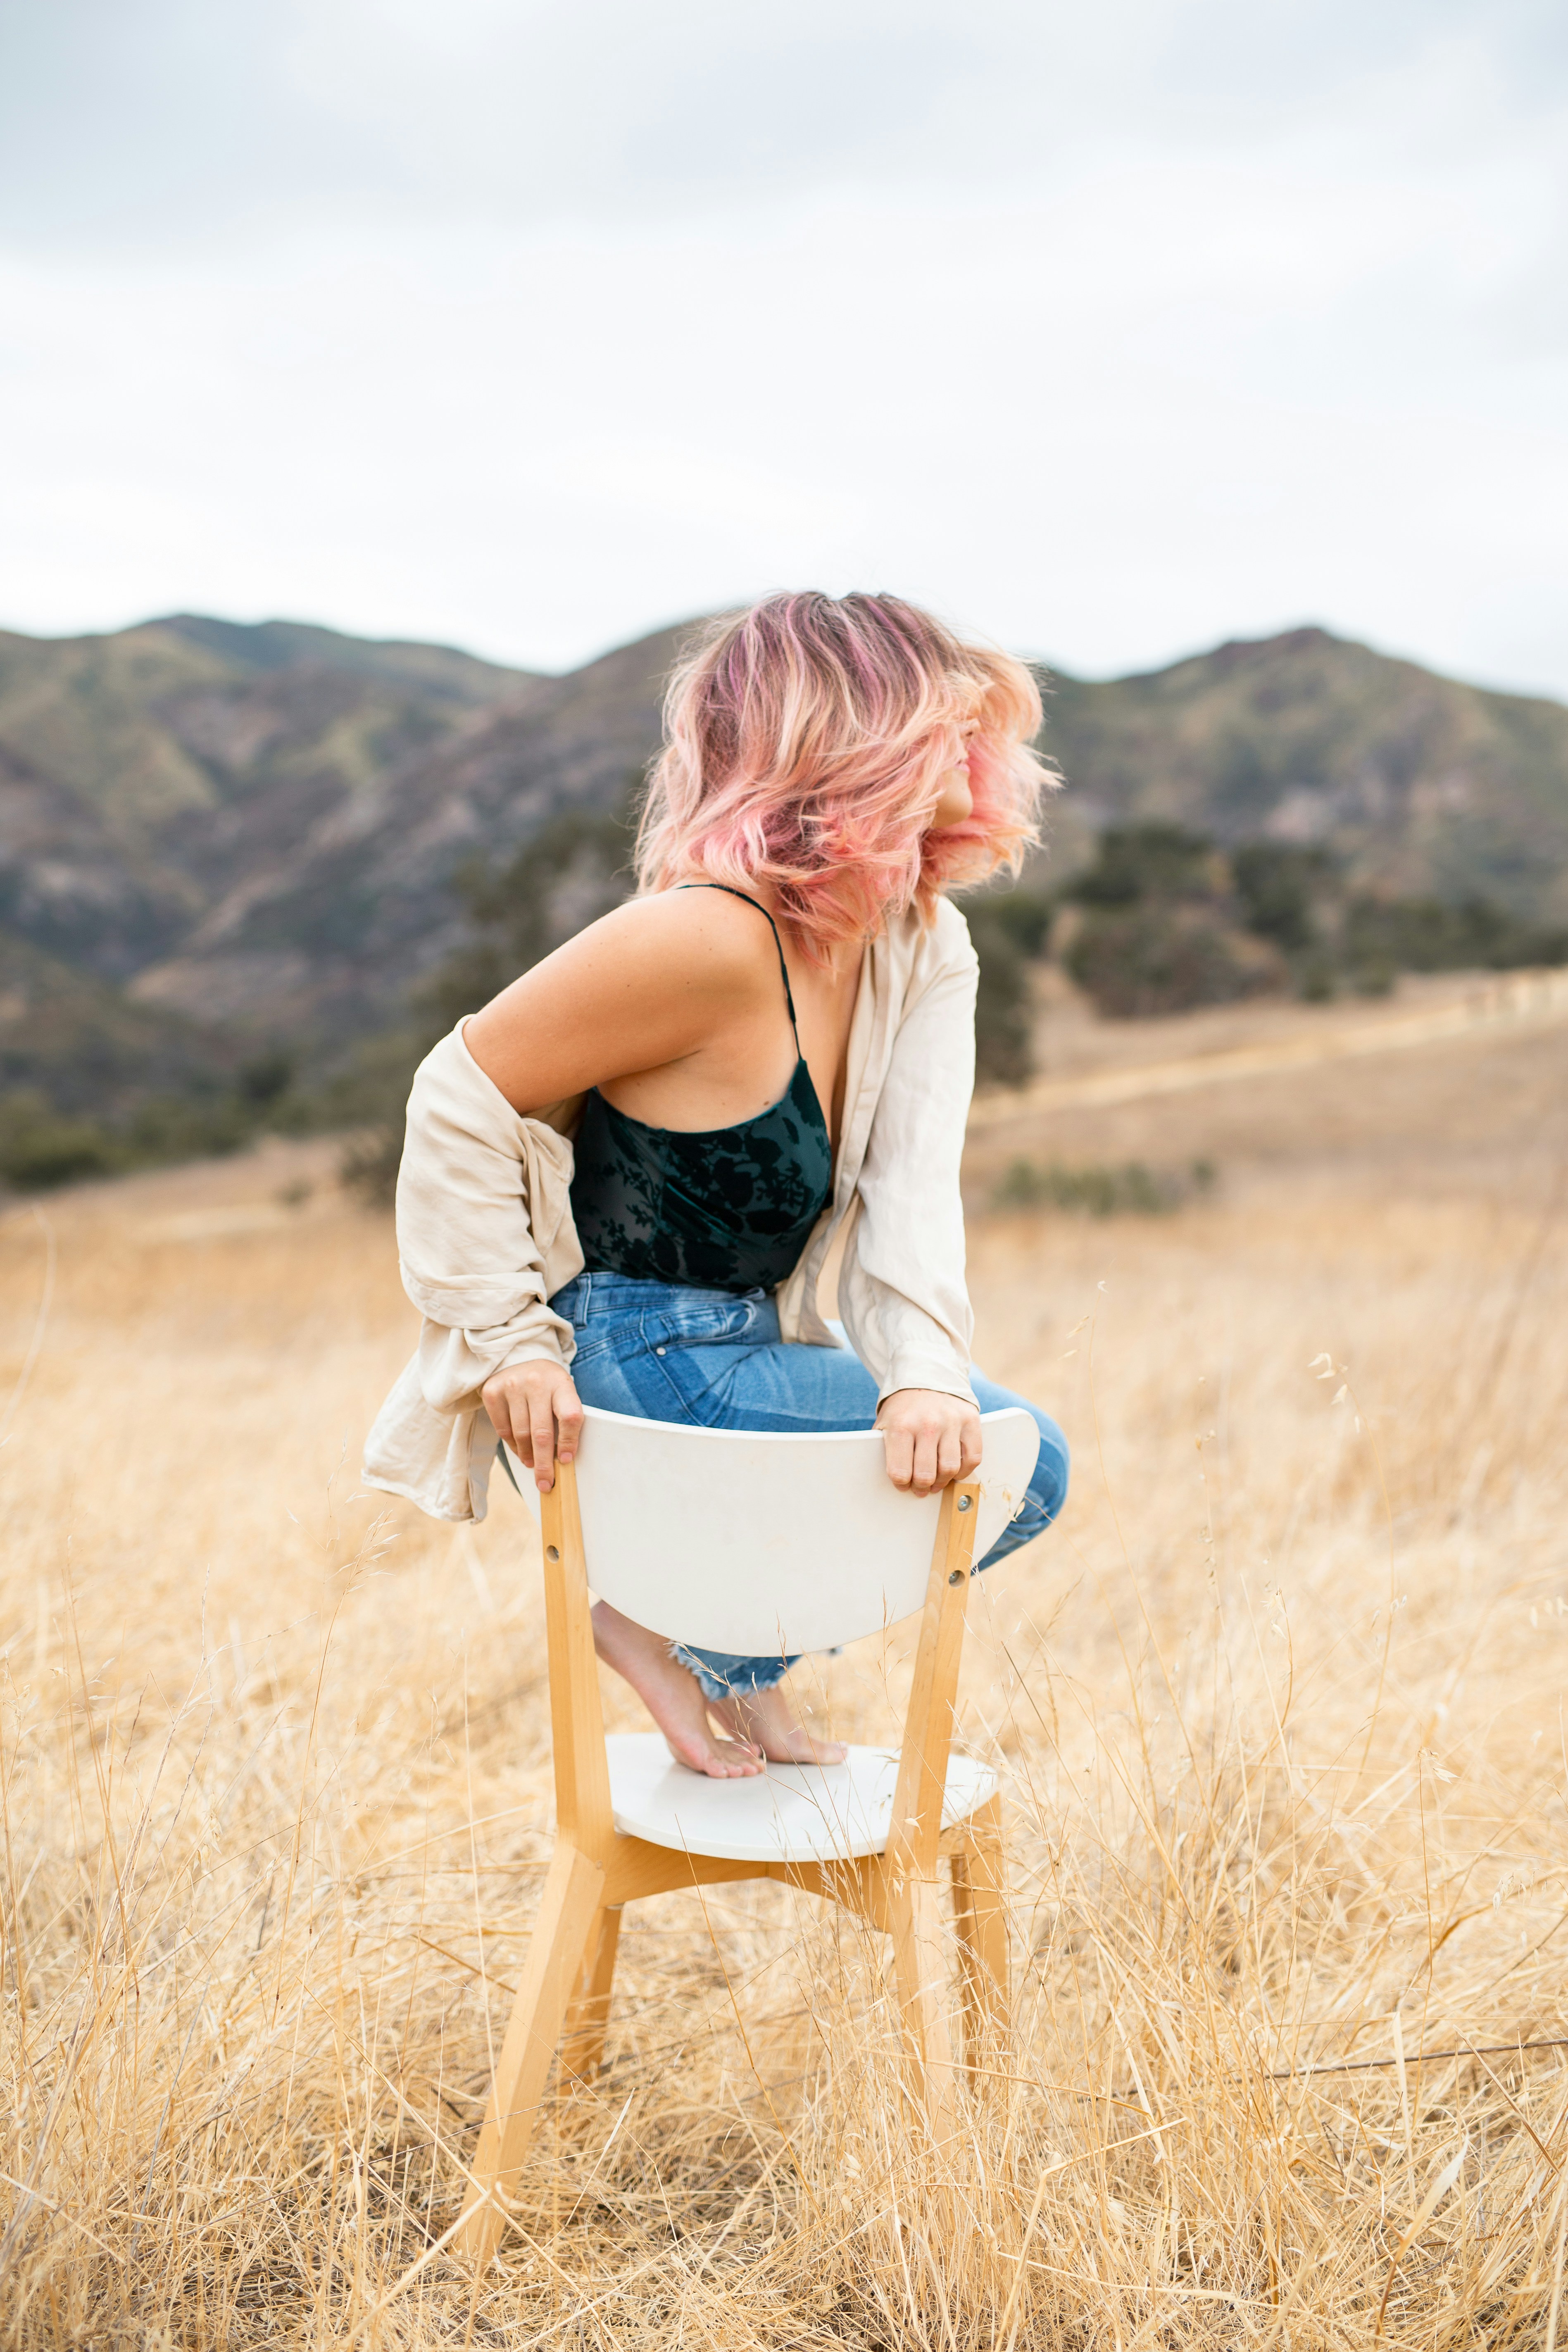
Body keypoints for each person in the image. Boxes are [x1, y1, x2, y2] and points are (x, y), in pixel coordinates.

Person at [365, 592, 1069, 1780]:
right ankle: (691, 1638)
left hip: (755, 1337)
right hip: (631, 1349)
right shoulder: (706, 937)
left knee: (1013, 1469)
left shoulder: (918, 942)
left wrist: (922, 1378)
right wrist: (509, 1343)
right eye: (946, 718)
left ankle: (703, 1647)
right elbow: (457, 1094)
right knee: (1026, 1460)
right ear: (860, 734)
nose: (975, 746)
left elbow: (910, 1190)